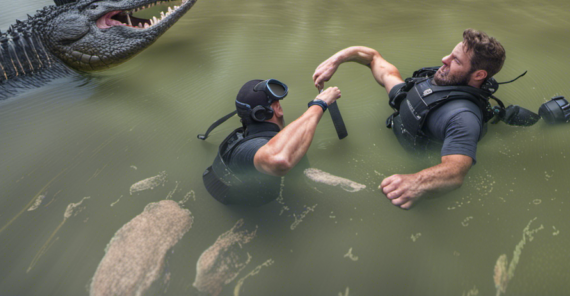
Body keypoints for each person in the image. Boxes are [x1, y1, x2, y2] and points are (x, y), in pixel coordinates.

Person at [312, 29, 505, 210]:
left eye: (456, 60)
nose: (444, 60)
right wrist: (338, 59)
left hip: (419, 162)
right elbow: (374, 59)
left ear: (479, 74)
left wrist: (417, 181)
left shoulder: (464, 117)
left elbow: (456, 171)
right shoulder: (434, 84)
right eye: (450, 54)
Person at [203, 78, 341, 206]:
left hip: (224, 192)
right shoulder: (251, 147)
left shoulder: (245, 135)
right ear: (277, 108)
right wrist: (319, 105)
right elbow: (279, 160)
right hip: (250, 210)